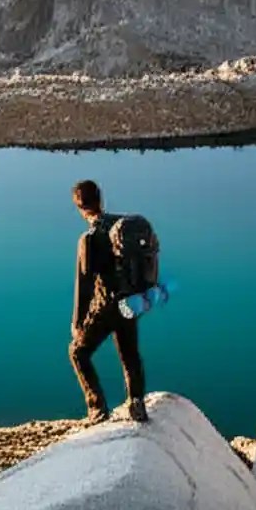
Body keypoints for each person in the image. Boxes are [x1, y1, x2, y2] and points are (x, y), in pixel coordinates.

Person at [69, 180, 148, 424]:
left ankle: (97, 408)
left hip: (106, 307)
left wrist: (78, 322)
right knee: (130, 355)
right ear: (100, 199)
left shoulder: (89, 239)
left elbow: (84, 286)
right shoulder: (122, 226)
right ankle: (137, 403)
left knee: (78, 352)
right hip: (131, 303)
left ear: (80, 207)